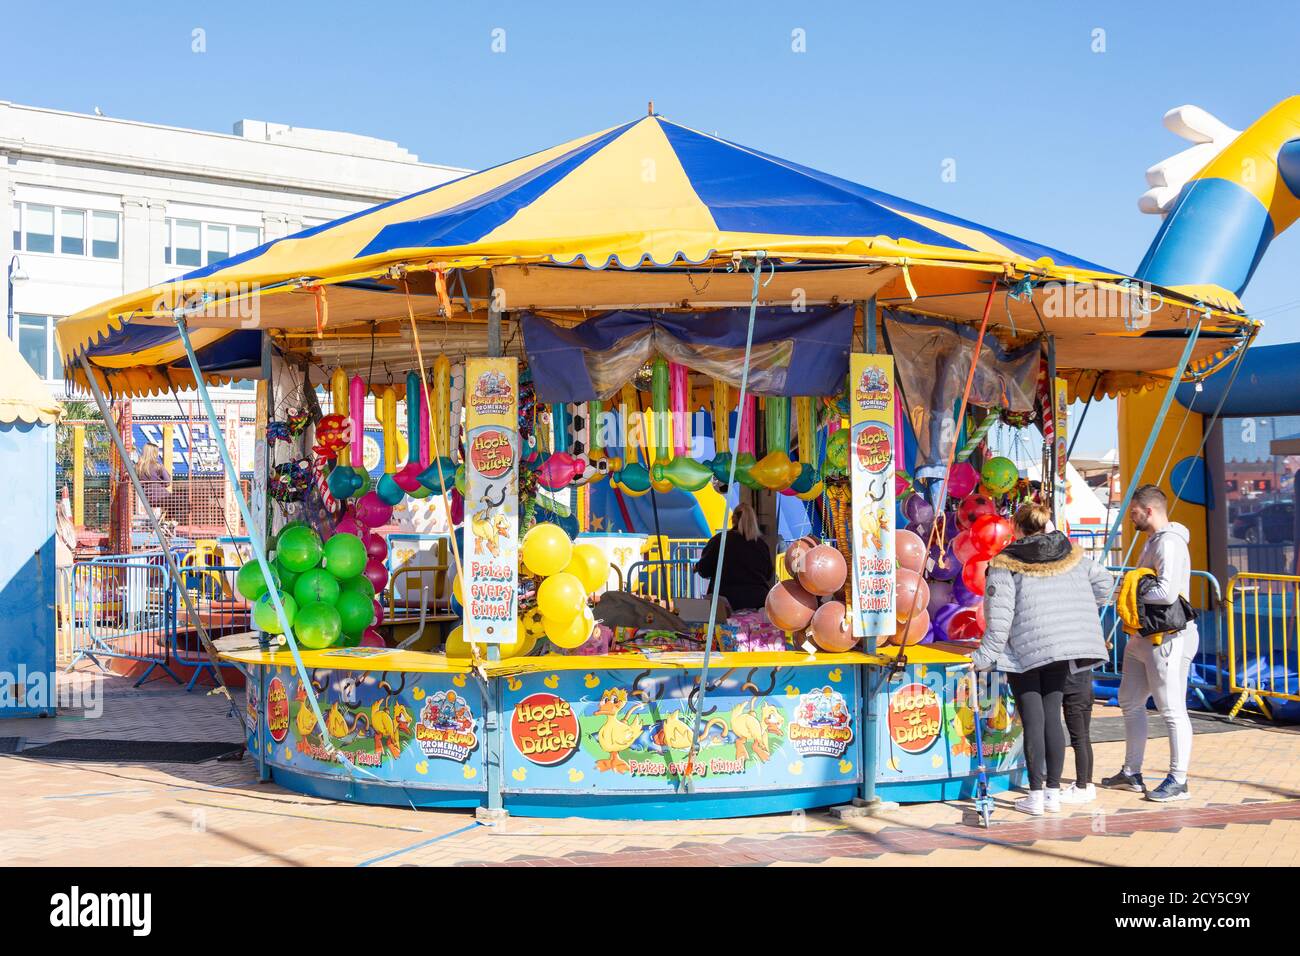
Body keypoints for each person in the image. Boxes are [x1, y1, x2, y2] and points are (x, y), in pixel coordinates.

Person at [972, 502, 1112, 815]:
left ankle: (1035, 795)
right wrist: (1079, 607)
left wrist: (981, 658)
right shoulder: (1072, 554)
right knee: (1052, 716)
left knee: (1033, 719)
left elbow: (999, 620)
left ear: (1016, 528)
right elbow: (1105, 583)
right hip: (1063, 647)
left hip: (1025, 650)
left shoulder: (1005, 562)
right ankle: (1051, 793)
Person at [1102, 484, 1199, 802]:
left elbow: (1167, 593)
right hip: (1143, 635)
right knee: (1130, 700)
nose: (1130, 517)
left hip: (1168, 636)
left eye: (1132, 512)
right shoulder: (1153, 541)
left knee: (1171, 707)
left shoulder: (1169, 543)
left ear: (1149, 510)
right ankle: (1131, 771)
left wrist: (1131, 591)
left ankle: (1179, 779)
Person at [694, 502, 773, 612]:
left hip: (727, 604)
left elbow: (705, 569)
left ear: (733, 519)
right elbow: (768, 574)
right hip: (758, 601)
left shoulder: (719, 540)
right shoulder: (761, 545)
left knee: (724, 630)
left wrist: (697, 567)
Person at [135, 442, 172, 511]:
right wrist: (160, 483)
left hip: (146, 497)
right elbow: (167, 482)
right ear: (154, 453)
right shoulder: (158, 466)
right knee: (182, 501)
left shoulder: (138, 467)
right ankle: (172, 520)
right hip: (162, 496)